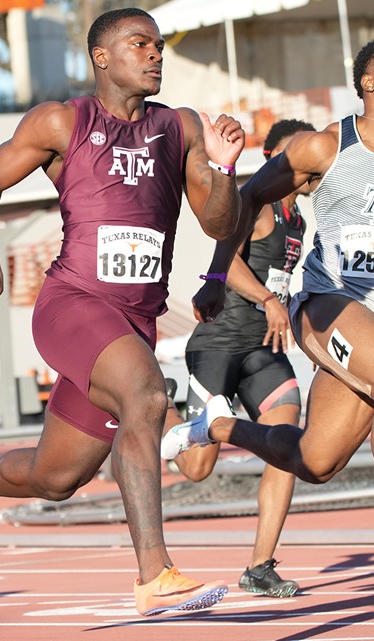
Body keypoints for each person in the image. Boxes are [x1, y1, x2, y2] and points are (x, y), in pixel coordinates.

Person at [0, 8, 245, 616]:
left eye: (159, 45)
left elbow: (218, 223)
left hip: (132, 323)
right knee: (146, 395)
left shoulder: (180, 127)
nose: (156, 54)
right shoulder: (63, 121)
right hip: (72, 306)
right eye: (141, 44)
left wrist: (222, 168)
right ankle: (154, 575)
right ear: (102, 57)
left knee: (56, 478)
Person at [163, 39, 374, 545]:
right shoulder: (325, 147)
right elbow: (249, 195)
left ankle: (216, 427)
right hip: (332, 303)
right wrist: (217, 277)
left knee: (316, 462)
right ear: (370, 83)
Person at [161, 119, 315, 598]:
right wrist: (268, 300)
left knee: (286, 446)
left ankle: (260, 567)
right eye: (297, 153)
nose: (309, 164)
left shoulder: (298, 219)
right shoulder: (259, 204)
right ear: (274, 159)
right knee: (197, 469)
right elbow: (225, 263)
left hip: (263, 351)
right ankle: (157, 402)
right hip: (220, 344)